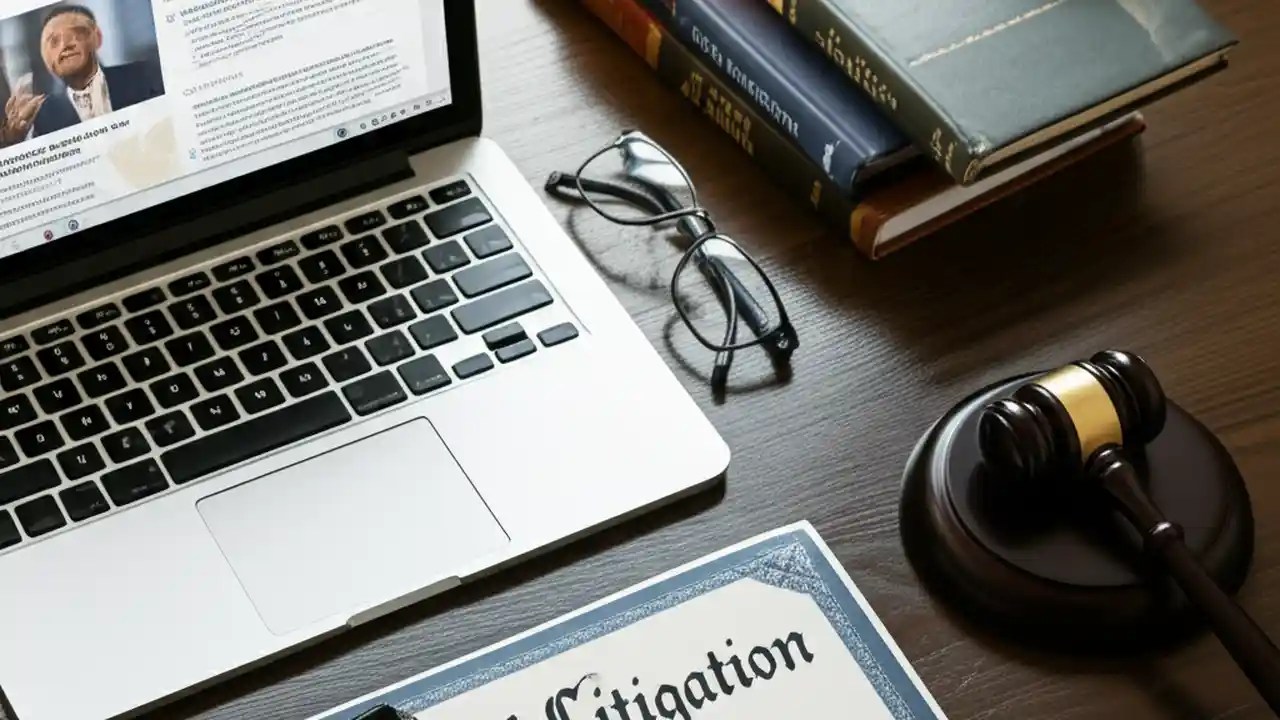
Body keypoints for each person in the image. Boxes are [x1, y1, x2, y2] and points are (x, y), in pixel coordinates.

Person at [24, 4, 164, 138]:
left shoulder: (146, 76)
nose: (65, 45)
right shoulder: (42, 119)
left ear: (98, 37)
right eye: (54, 41)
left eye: (76, 34)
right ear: (44, 56)